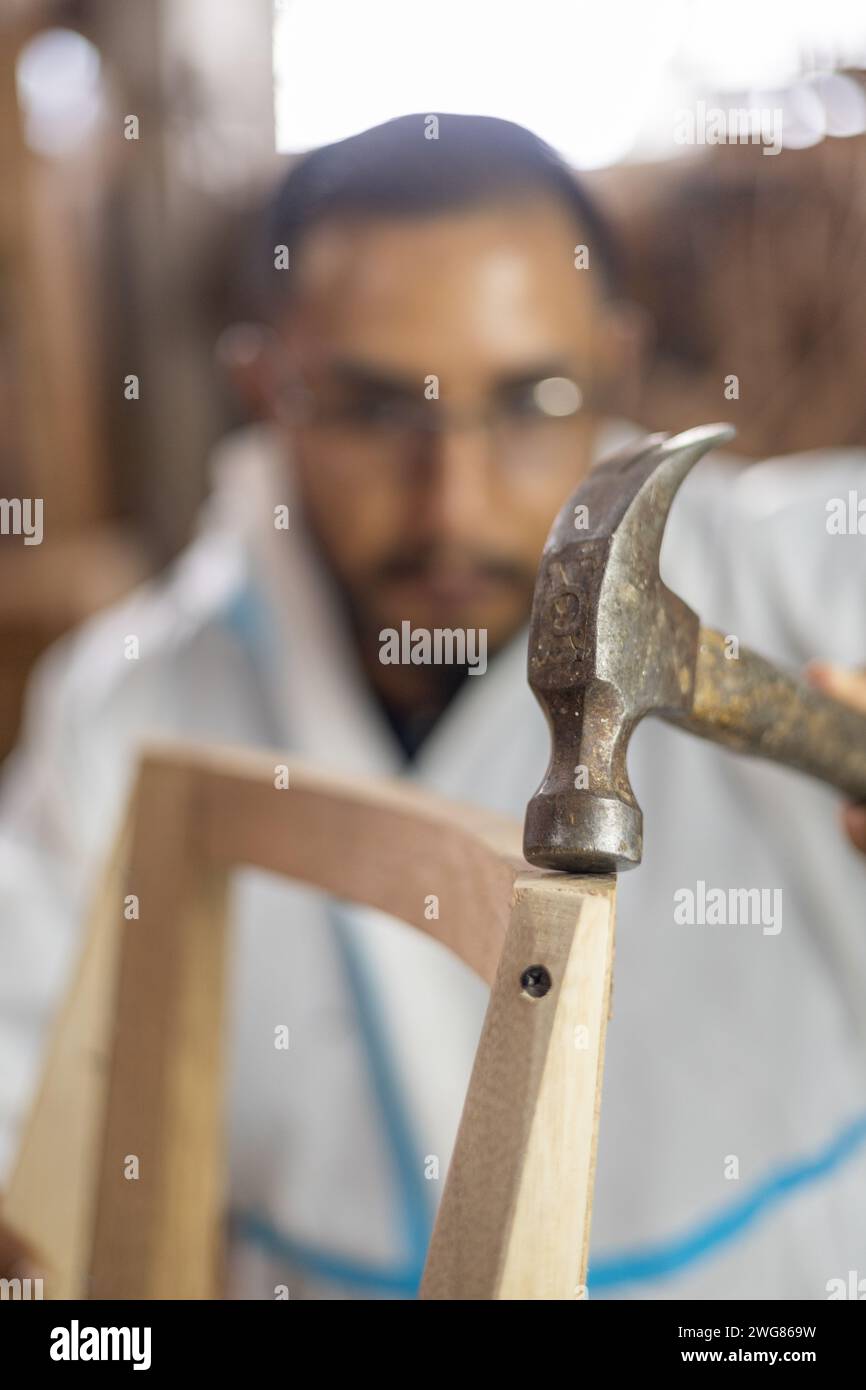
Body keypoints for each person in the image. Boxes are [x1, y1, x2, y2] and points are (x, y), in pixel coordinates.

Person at [0, 113, 864, 1300]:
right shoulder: (123, 704)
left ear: (611, 363)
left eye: (528, 400)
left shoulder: (799, 573)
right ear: (266, 386)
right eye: (372, 409)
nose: (448, 498)